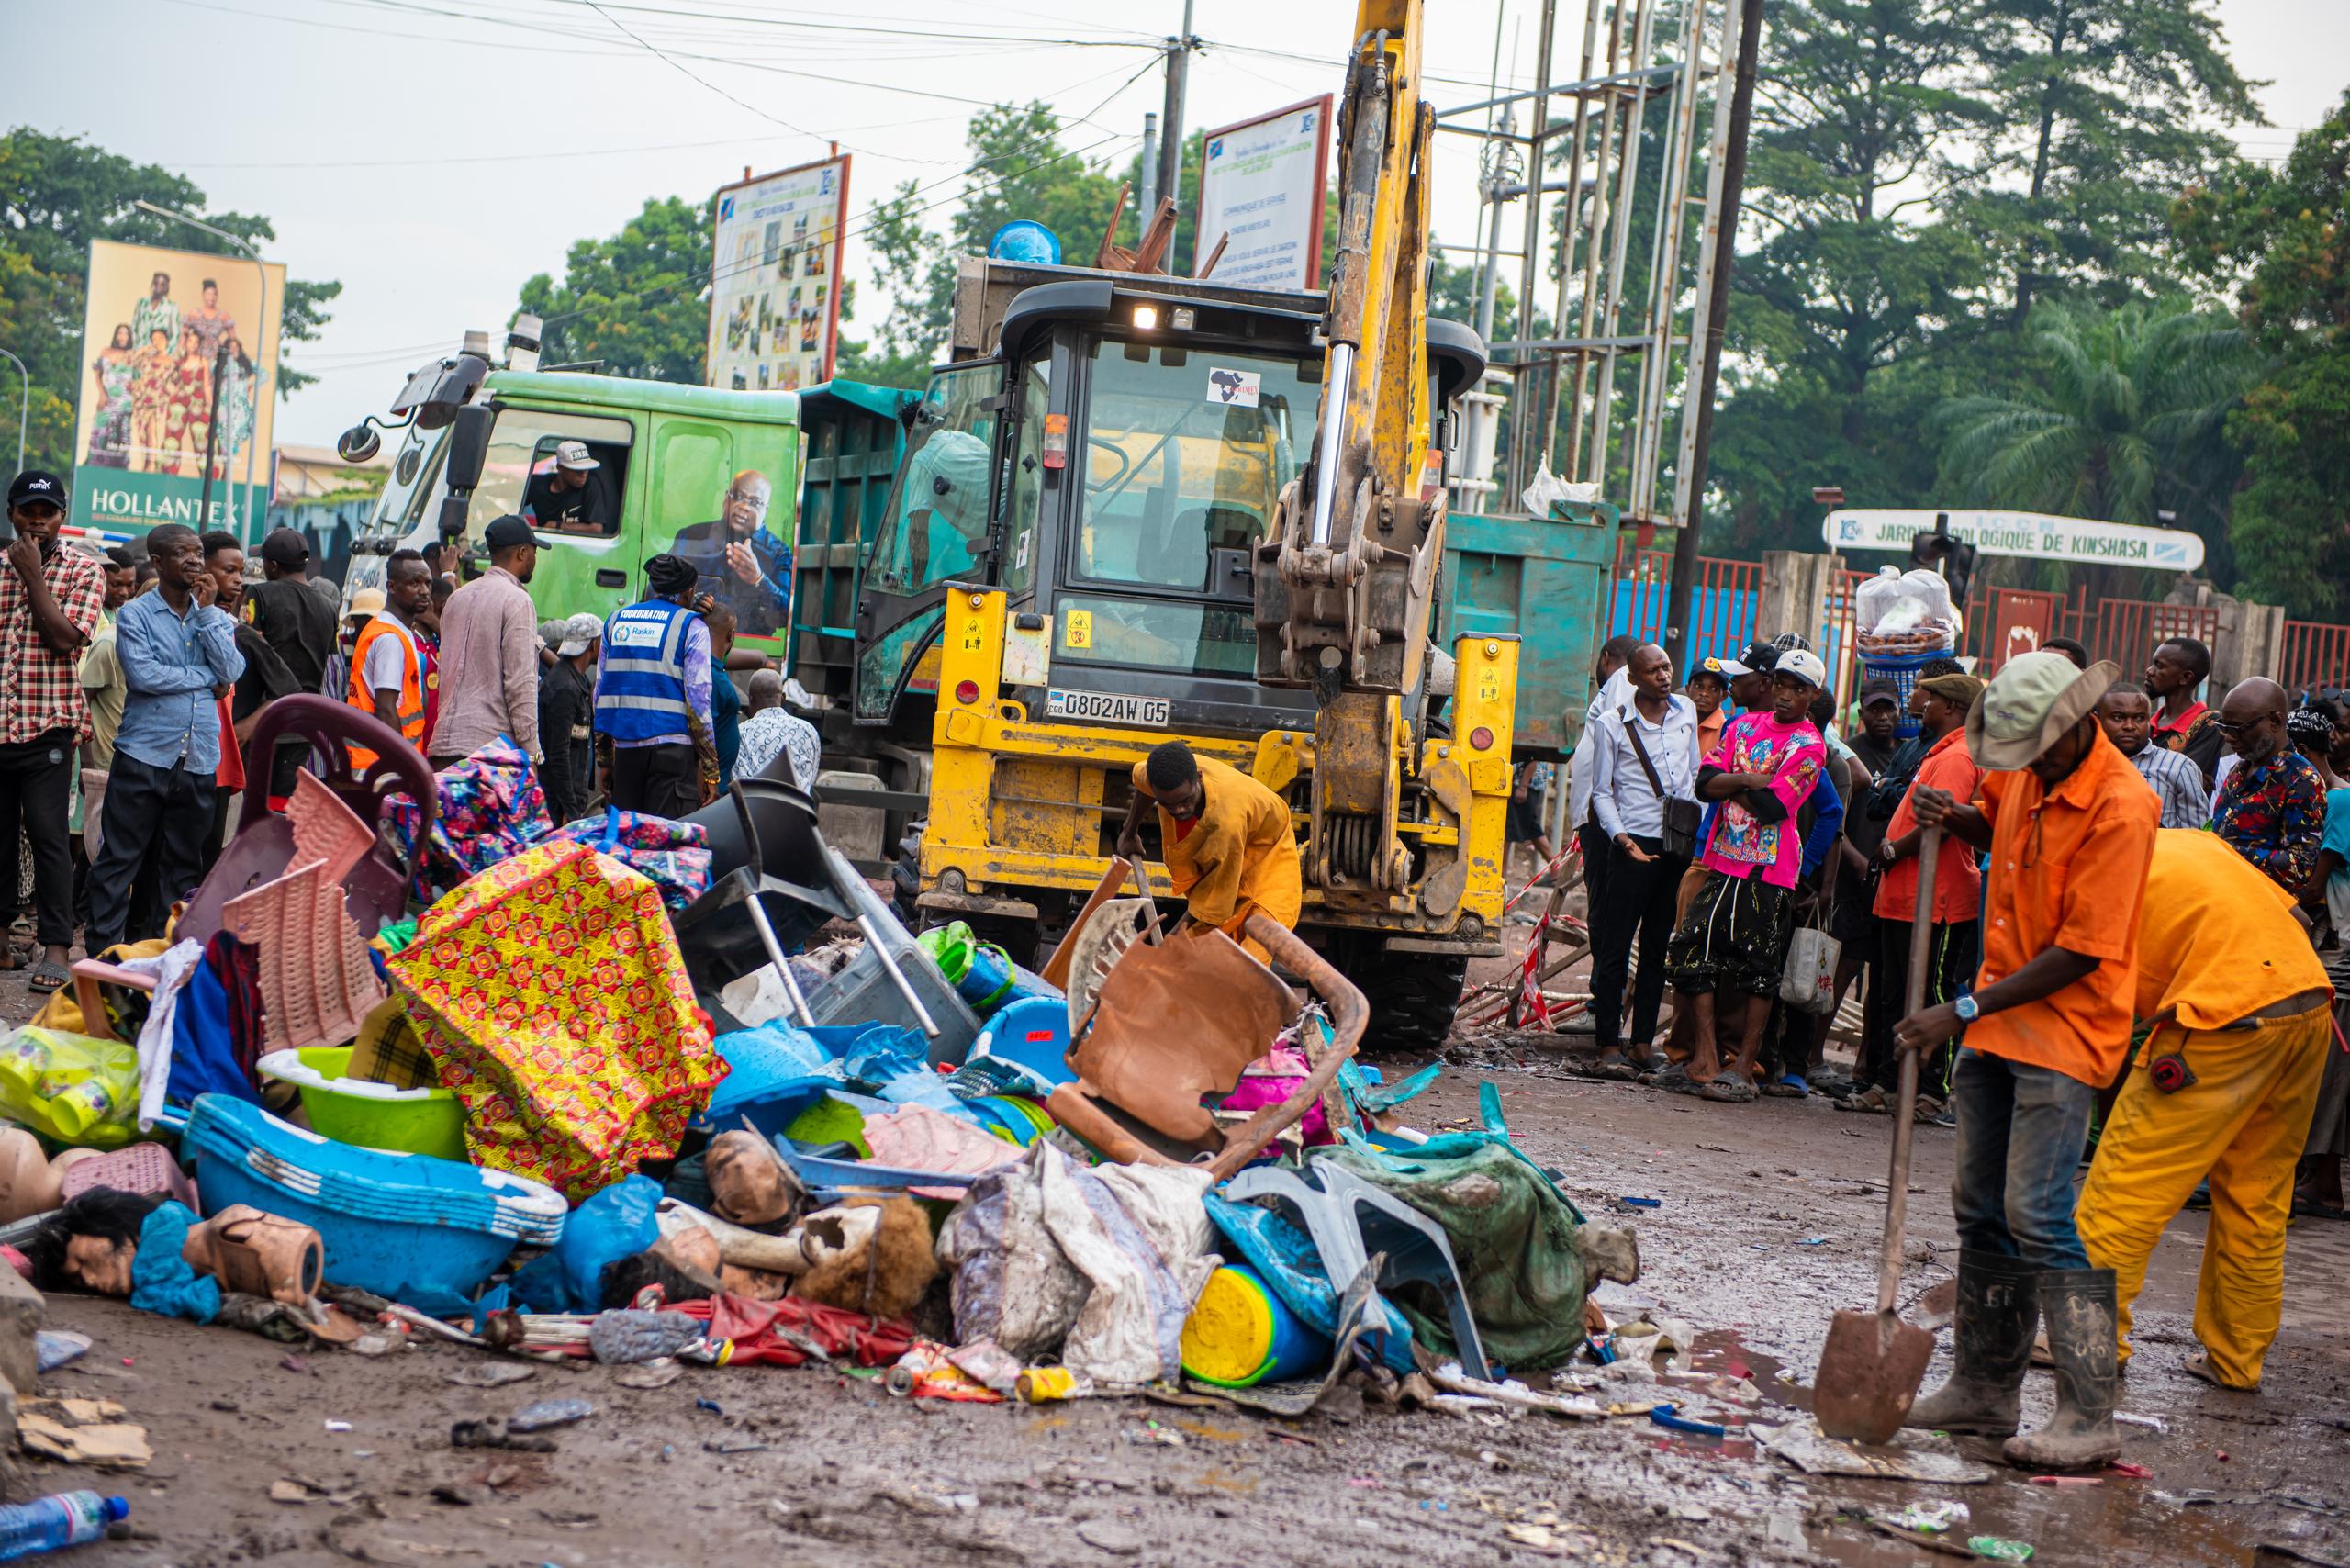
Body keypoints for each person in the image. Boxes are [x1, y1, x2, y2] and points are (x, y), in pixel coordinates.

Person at [1895, 651, 2157, 1472]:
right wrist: (1955, 814)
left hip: (2062, 1032)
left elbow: (2083, 952)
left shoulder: (2122, 806)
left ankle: (2089, 1414)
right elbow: (1995, 824)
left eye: (2040, 749)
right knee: (1979, 1207)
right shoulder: (2026, 774)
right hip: (1996, 1026)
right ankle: (1983, 1390)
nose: (2030, 765)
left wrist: (1960, 1008)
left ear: (2077, 726)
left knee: (2037, 1213)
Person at [2069, 830, 2331, 1393]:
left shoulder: (2094, 877)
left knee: (2125, 1185)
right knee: (2257, 1198)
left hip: (2221, 1019)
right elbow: (2302, 924)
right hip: (2307, 1006)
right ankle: (2236, 1361)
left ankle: (2085, 1345)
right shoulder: (2196, 843)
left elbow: (2094, 1006)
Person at [1658, 649, 1830, 1103]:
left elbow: (1776, 808)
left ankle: (1744, 1069)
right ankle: (1707, 1059)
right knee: (1692, 953)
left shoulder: (1810, 747)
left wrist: (1732, 778)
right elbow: (1702, 786)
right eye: (1781, 684)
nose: (1786, 694)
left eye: (1798, 688)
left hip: (1769, 872)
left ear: (1812, 695)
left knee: (1757, 970)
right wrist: (1754, 781)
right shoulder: (1742, 726)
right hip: (1720, 860)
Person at [86, 523, 243, 954]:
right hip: (143, 755)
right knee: (120, 861)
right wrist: (203, 678)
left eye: (197, 553)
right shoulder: (136, 614)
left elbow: (231, 672)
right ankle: (101, 955)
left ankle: (154, 957)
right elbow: (143, 675)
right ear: (158, 562)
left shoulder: (213, 616)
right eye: (182, 554)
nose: (194, 561)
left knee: (179, 868)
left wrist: (210, 613)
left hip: (197, 760)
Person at [1841, 672, 1986, 1119]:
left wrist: (1888, 849)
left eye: (1934, 699)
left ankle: (1931, 1090)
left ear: (1953, 708)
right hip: (1900, 894)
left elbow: (1939, 826)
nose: (1924, 705)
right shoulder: (1935, 752)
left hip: (1936, 900)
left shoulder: (1960, 756)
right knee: (1891, 993)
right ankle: (1888, 1081)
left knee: (1931, 994)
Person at [0, 473, 106, 992]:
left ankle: (57, 947)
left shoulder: (85, 572)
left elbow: (66, 640)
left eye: (48, 510)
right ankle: (2, 943)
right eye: (27, 510)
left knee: (48, 838)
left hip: (48, 729)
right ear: (11, 513)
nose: (37, 519)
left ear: (62, 516)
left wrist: (34, 577)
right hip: (0, 727)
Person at [1585, 644, 1700, 1080]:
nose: (1663, 676)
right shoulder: (1613, 724)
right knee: (1615, 946)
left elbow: (1691, 776)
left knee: (1658, 947)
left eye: (1667, 667)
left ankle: (1642, 1044)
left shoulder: (1686, 712)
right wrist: (1622, 839)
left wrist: (1695, 836)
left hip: (1676, 845)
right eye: (1653, 671)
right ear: (1633, 679)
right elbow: (1601, 791)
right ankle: (1608, 1044)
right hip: (1632, 844)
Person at [1115, 740, 1303, 966]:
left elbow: (1210, 908)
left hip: (1270, 859)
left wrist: (1167, 945)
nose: (1178, 810)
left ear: (1199, 779)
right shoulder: (1156, 774)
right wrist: (1129, 832)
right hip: (1236, 847)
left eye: (1185, 800)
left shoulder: (1226, 823)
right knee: (1187, 957)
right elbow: (1142, 785)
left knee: (1247, 961)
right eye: (1167, 804)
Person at [596, 554, 716, 819]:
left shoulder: (615, 621)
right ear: (688, 591)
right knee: (663, 843)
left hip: (625, 752)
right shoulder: (692, 626)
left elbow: (602, 694)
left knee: (625, 843)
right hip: (672, 755)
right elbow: (698, 702)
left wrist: (605, 758)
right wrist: (710, 768)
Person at [203, 532, 300, 851]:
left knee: (210, 847)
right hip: (177, 758)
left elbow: (287, 687)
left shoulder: (241, 635)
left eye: (239, 573)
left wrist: (246, 726)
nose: (237, 582)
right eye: (228, 571)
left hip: (223, 763)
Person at [428, 515, 544, 768]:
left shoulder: (457, 599)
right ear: (523, 553)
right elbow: (521, 686)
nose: (535, 560)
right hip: (491, 757)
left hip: (442, 751)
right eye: (535, 552)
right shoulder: (517, 601)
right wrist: (532, 755)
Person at [2210, 677, 2325, 893]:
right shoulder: (2239, 770)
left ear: (2275, 721)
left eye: (2237, 728)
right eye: (2224, 727)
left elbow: (2301, 866)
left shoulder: (2301, 780)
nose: (2228, 737)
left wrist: (2225, 852)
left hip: (2262, 908)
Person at [1566, 634, 1640, 903]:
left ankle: (1605, 947)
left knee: (1602, 900)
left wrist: (1597, 811)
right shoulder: (1623, 683)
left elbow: (1617, 740)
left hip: (1601, 816)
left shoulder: (1622, 679)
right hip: (1602, 813)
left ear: (1605, 657)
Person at [670, 469, 790, 638]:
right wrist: (688, 601)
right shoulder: (692, 536)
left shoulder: (778, 552)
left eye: (755, 502)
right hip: (690, 638)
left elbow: (785, 616)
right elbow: (658, 589)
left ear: (766, 509)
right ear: (726, 498)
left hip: (749, 648)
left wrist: (758, 579)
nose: (743, 506)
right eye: (738, 496)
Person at [344, 552, 433, 770]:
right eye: (414, 583)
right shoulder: (390, 639)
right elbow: (385, 708)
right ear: (392, 587)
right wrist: (403, 767)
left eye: (428, 583)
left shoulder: (391, 631)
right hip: (380, 767)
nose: (424, 591)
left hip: (373, 763)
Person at [2096, 680, 2208, 829]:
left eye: (2139, 718)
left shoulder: (2179, 768)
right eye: (2118, 717)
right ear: (2098, 719)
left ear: (2149, 720)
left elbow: (2198, 837)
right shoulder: (2081, 766)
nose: (2129, 726)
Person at [245, 529, 336, 699]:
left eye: (263, 560)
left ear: (273, 566)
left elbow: (242, 647)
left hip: (266, 706)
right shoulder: (329, 606)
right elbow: (331, 667)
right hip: (308, 706)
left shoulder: (257, 593)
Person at [536, 614, 601, 827]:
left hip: (569, 799)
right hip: (558, 805)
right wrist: (569, 810)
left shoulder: (575, 680)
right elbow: (558, 754)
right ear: (592, 644)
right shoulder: (564, 687)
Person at [2147, 637, 2223, 786]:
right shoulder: (2145, 722)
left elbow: (2182, 779)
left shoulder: (2210, 724)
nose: (2149, 671)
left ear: (2185, 678)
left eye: (2159, 666)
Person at [734, 669, 821, 789]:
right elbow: (812, 778)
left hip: (756, 806)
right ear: (783, 697)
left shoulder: (741, 732)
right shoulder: (808, 730)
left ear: (751, 699)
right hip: (799, 805)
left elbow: (740, 782)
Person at [520, 441, 615, 536]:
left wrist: (555, 526)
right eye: (577, 470)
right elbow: (515, 505)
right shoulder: (536, 484)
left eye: (586, 469)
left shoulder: (591, 485)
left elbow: (596, 528)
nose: (583, 474)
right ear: (560, 467)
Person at [702, 602, 744, 789]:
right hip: (708, 789)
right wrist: (709, 782)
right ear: (731, 635)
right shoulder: (712, 677)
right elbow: (703, 734)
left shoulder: (705, 669)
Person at [87, 325, 136, 468]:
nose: (122, 337)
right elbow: (98, 374)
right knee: (100, 430)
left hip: (125, 401)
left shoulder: (132, 354)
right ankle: (94, 466)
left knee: (121, 436)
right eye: (120, 333)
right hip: (107, 399)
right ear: (116, 335)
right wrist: (102, 394)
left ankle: (119, 468)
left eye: (126, 334)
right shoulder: (106, 351)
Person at [1505, 760, 1557, 879]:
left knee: (1508, 829)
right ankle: (1556, 868)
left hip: (1524, 782)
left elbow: (1534, 755)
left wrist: (1523, 786)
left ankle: (1501, 874)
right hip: (1527, 781)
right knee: (1531, 827)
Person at [182, 279, 233, 363]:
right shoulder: (194, 313)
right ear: (203, 295)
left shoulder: (223, 315)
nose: (211, 297)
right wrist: (181, 353)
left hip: (215, 357)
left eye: (214, 294)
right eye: (208, 294)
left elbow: (233, 339)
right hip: (197, 355)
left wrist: (225, 347)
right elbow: (184, 336)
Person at [1687, 659, 1731, 757]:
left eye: (1713, 689)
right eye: (1699, 686)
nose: (1704, 693)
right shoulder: (1676, 723)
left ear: (1724, 695)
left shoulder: (1726, 733)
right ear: (1688, 689)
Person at [131, 271, 178, 354]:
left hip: (157, 353)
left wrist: (166, 353)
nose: (158, 286)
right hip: (139, 350)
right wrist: (135, 347)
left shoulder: (171, 306)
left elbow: (175, 334)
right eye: (156, 283)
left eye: (162, 284)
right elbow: (134, 325)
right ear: (152, 284)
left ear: (167, 287)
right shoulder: (141, 302)